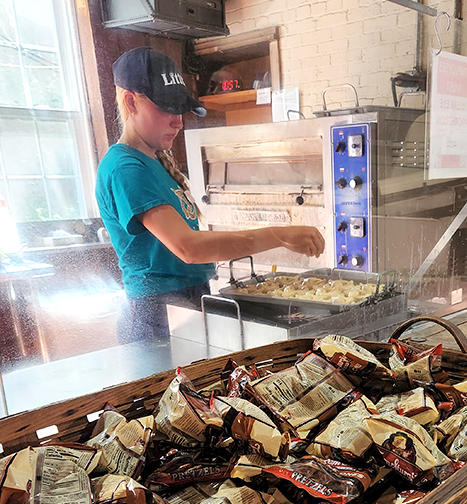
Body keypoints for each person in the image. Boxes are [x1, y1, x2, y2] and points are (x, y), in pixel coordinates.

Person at [96, 46, 324, 343]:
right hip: (156, 316)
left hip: (185, 304)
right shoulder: (125, 168)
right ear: (131, 102)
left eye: (179, 109)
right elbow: (189, 248)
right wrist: (279, 235)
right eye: (166, 108)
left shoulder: (152, 160)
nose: (178, 121)